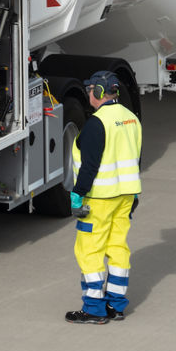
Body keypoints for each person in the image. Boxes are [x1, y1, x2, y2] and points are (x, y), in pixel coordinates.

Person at [65, 70, 142, 324]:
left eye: (90, 90)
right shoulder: (131, 119)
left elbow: (89, 167)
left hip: (100, 199)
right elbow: (134, 157)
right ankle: (116, 305)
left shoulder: (97, 124)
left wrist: (77, 194)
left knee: (90, 250)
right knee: (118, 247)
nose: (88, 94)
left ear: (98, 92)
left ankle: (94, 309)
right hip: (126, 196)